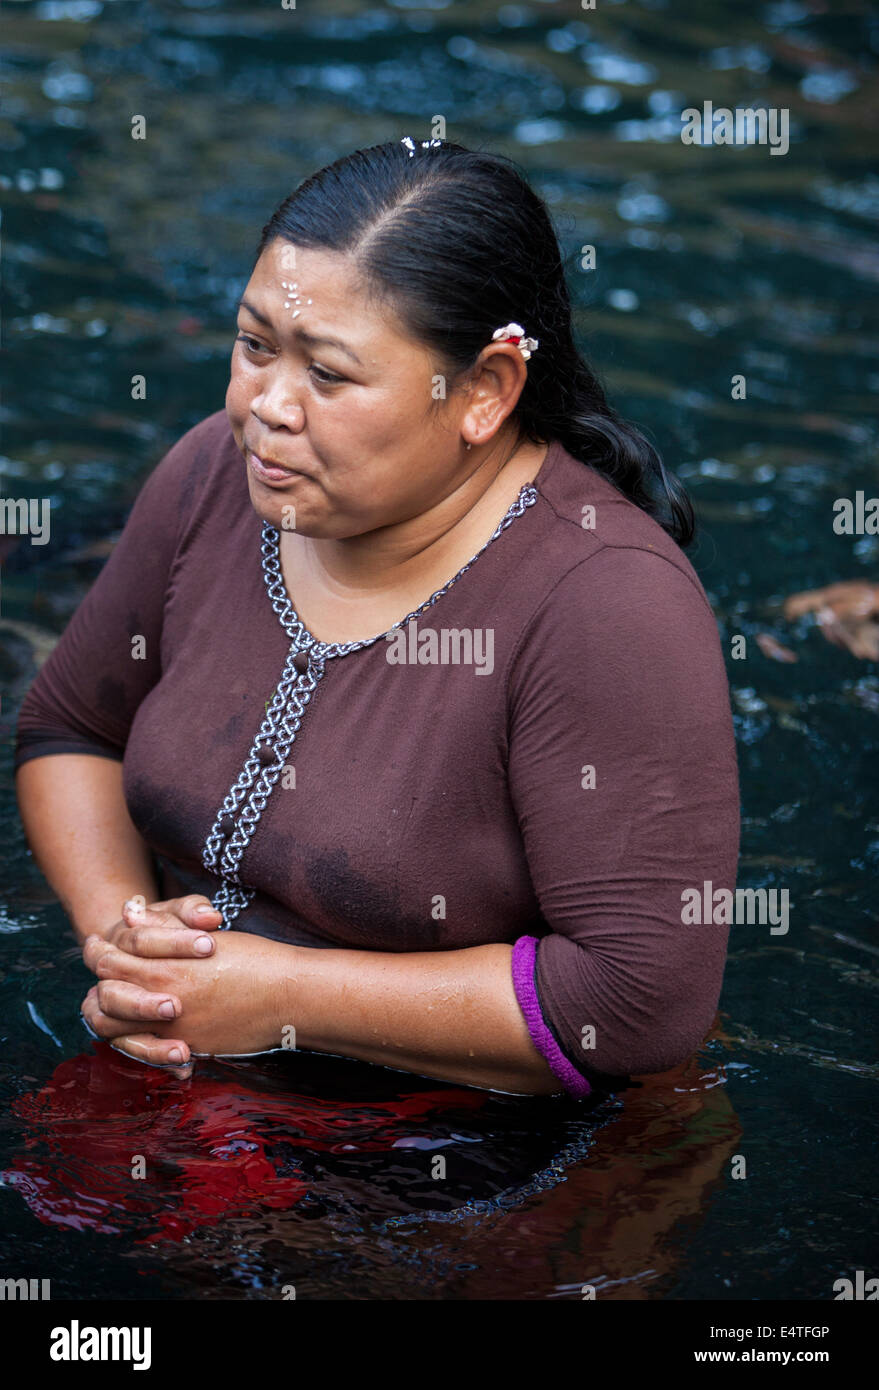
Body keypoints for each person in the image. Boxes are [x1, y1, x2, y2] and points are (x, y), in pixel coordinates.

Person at [14, 139, 740, 1098]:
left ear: (482, 391)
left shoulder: (610, 605)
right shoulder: (213, 477)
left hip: (469, 1160)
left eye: (329, 376)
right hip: (177, 1063)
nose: (265, 407)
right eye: (254, 344)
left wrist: (286, 998)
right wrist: (129, 950)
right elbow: (70, 727)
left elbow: (639, 1001)